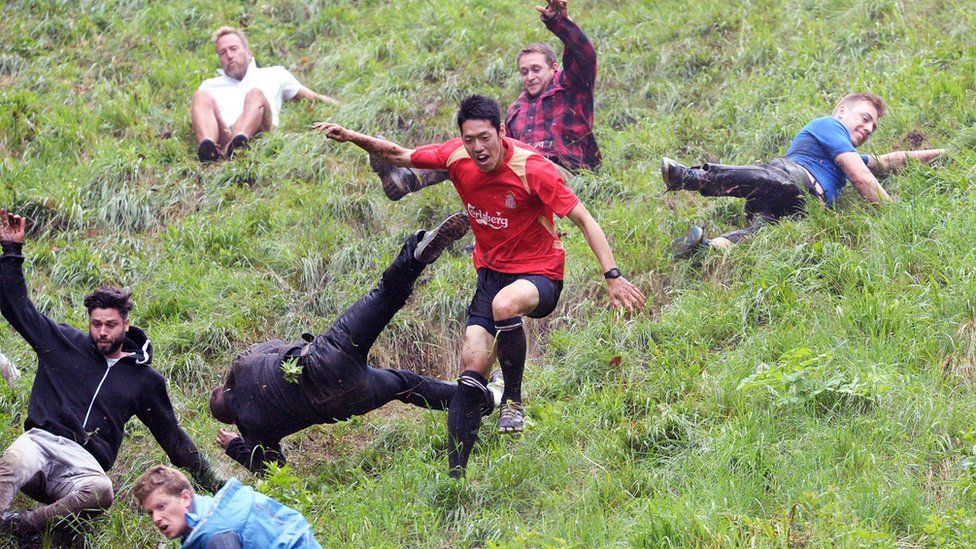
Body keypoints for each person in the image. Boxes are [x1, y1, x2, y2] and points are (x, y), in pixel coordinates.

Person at [315, 94, 645, 477]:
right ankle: (455, 477)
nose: (477, 148)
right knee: (470, 372)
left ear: (501, 133)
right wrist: (351, 136)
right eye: (469, 139)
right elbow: (401, 155)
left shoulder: (532, 168)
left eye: (484, 138)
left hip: (539, 275)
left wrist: (613, 276)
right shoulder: (457, 157)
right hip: (490, 276)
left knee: (505, 306)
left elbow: (585, 220)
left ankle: (514, 401)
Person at [208, 213, 495, 475]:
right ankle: (417, 254)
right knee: (385, 296)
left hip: (343, 402)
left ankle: (483, 400)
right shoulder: (242, 365)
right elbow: (275, 345)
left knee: (406, 386)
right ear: (225, 386)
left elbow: (274, 470)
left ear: (232, 421)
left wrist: (236, 446)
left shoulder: (252, 430)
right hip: (324, 359)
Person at [0, 210, 221, 536]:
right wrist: (11, 251)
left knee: (102, 491)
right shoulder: (62, 343)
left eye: (110, 325)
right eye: (96, 324)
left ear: (126, 324)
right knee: (12, 462)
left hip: (82, 466)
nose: (102, 332)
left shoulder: (145, 381)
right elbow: (16, 305)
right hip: (40, 443)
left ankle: (24, 526)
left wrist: (216, 484)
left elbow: (173, 438)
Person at [663, 93, 946, 256]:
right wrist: (894, 215)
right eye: (865, 118)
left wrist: (943, 152)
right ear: (842, 112)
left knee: (760, 232)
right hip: (792, 179)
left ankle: (705, 250)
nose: (870, 129)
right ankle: (690, 177)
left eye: (874, 127)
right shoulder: (829, 126)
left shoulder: (848, 153)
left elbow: (886, 162)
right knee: (771, 178)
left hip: (798, 206)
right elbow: (861, 177)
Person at [370, 0, 601, 201]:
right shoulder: (516, 110)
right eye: (524, 72)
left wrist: (561, 23)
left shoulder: (571, 86)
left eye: (536, 69)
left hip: (567, 175)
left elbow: (585, 56)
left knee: (507, 160)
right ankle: (406, 179)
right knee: (469, 148)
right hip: (523, 174)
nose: (530, 76)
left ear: (554, 68)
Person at [192, 26, 338, 162]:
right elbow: (201, 116)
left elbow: (313, 97)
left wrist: (342, 106)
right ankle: (209, 150)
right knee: (200, 96)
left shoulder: (274, 74)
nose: (229, 56)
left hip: (260, 130)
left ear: (247, 52)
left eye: (234, 49)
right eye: (222, 53)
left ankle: (239, 143)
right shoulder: (209, 85)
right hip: (225, 136)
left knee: (255, 94)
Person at [135, 465, 320, 548]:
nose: (156, 518)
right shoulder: (217, 509)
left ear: (185, 498)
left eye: (161, 506)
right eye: (151, 512)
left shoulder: (216, 536)